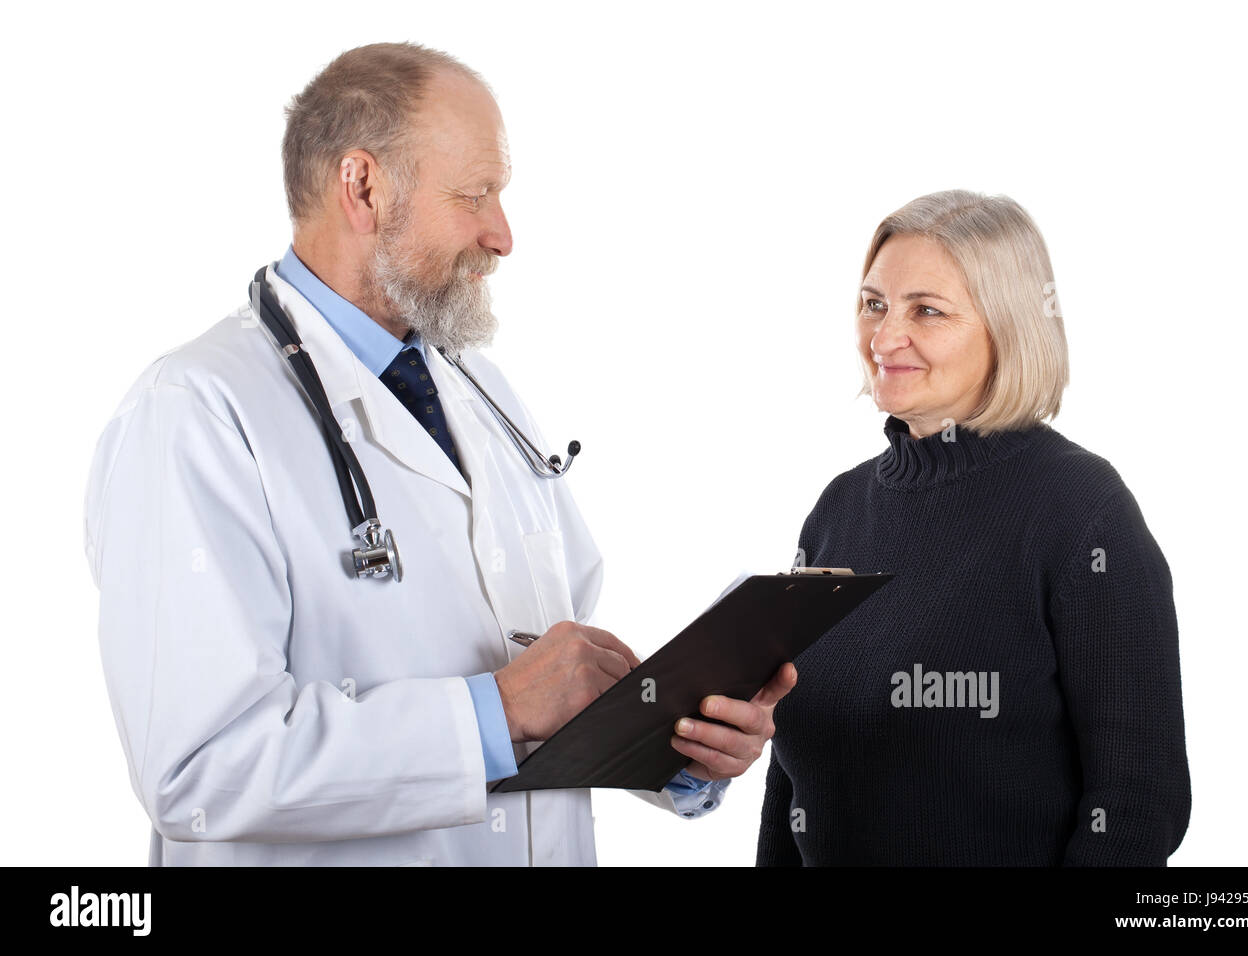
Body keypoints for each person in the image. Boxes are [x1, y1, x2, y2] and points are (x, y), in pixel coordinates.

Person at [83, 41, 794, 866]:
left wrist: (673, 747)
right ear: (364, 187)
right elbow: (199, 769)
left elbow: (554, 672)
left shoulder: (476, 391)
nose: (503, 235)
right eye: (476, 195)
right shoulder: (197, 411)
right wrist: (491, 714)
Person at [757, 190, 1191, 866]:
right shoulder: (839, 509)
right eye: (874, 304)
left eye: (926, 311)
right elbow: (788, 789)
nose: (884, 337)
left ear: (1009, 326)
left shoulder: (1082, 512)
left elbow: (1138, 806)